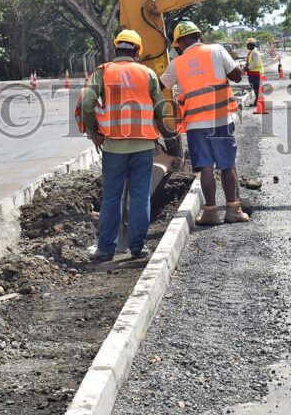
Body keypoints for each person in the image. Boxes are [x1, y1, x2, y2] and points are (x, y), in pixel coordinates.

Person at [80, 29, 168, 262]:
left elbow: (87, 101)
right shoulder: (147, 73)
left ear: (116, 48)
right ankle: (138, 248)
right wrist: (159, 131)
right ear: (137, 51)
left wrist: (94, 132)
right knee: (139, 197)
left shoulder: (104, 71)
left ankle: (105, 250)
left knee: (111, 197)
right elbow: (161, 108)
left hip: (113, 147)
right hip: (143, 147)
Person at [161, 21, 250, 225]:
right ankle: (233, 210)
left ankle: (210, 213)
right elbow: (237, 76)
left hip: (194, 125)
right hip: (220, 119)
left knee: (206, 169)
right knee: (227, 166)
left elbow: (160, 84)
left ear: (180, 42)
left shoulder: (177, 63)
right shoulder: (217, 50)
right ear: (199, 35)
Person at [244, 37, 264, 106]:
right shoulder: (251, 52)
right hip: (252, 73)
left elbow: (254, 63)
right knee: (255, 88)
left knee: (257, 88)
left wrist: (247, 68)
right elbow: (249, 62)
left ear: (252, 45)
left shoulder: (255, 52)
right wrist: (246, 66)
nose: (247, 46)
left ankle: (258, 101)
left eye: (247, 44)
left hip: (256, 73)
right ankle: (257, 100)